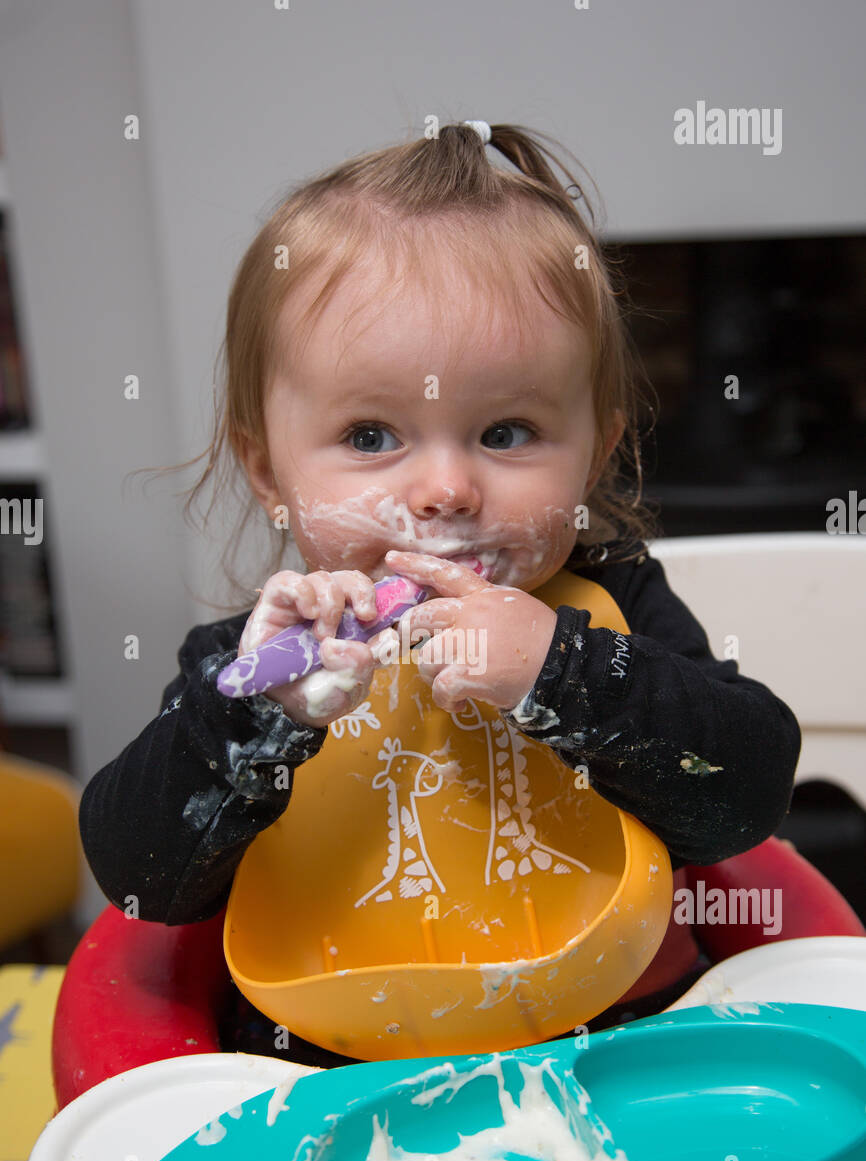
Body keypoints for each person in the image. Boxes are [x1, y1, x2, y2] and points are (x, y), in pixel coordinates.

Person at [79, 121, 801, 1069]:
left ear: (596, 448)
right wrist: (259, 717)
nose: (447, 490)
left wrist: (560, 666)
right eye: (372, 436)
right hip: (336, 1097)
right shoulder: (256, 659)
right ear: (268, 468)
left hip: (625, 1066)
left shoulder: (614, 608)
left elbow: (745, 792)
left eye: (506, 432)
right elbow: (140, 883)